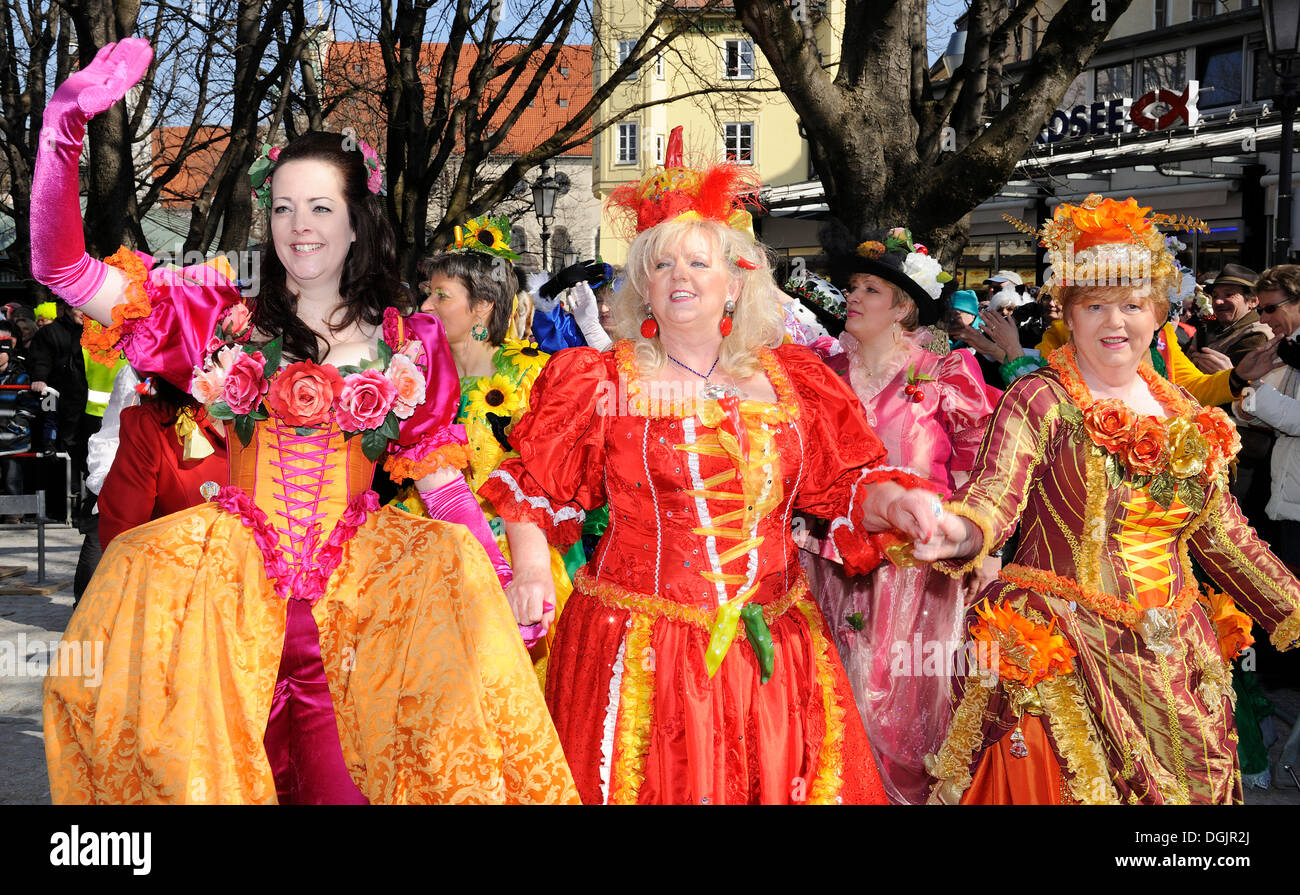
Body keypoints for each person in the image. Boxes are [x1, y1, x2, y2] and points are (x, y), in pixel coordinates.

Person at [35, 40, 576, 804]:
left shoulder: (409, 341)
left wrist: (496, 583)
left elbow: (443, 482)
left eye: (321, 206)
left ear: (357, 220)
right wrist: (64, 127)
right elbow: (61, 271)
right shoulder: (214, 313)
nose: (299, 226)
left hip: (362, 621)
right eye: (282, 207)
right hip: (224, 615)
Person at [479, 126, 950, 804]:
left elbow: (845, 483)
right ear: (641, 279)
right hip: (640, 643)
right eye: (663, 263)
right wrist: (529, 570)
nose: (680, 278)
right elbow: (537, 486)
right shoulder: (598, 379)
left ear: (735, 280)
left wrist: (901, 503)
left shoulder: (795, 379)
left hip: (774, 648)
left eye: (699, 264)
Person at [914, 195, 1300, 804]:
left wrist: (1294, 606)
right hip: (1062, 643)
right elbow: (995, 492)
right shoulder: (1041, 399)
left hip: (1175, 654)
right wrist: (958, 531)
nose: (1114, 322)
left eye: (1131, 305)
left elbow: (1224, 537)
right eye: (1094, 305)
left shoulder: (1191, 416)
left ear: (1158, 315)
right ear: (1067, 313)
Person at [799, 222, 999, 804]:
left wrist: (984, 546)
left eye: (871, 290)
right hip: (824, 561)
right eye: (853, 286)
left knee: (903, 702)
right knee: (830, 697)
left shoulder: (945, 374)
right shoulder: (821, 372)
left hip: (916, 573)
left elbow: (980, 468)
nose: (853, 298)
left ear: (903, 308)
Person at [417, 226, 579, 673]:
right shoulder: (416, 381)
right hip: (434, 561)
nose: (426, 307)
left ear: (483, 306)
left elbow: (551, 481)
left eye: (442, 296)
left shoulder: (534, 378)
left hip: (514, 558)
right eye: (427, 295)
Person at [1233, 264, 1300, 576]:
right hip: (1284, 488)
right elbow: (1249, 406)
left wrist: (1253, 389)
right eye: (1262, 309)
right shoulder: (1287, 346)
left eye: (1271, 308)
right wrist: (1249, 390)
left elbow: (1294, 418)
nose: (1263, 319)